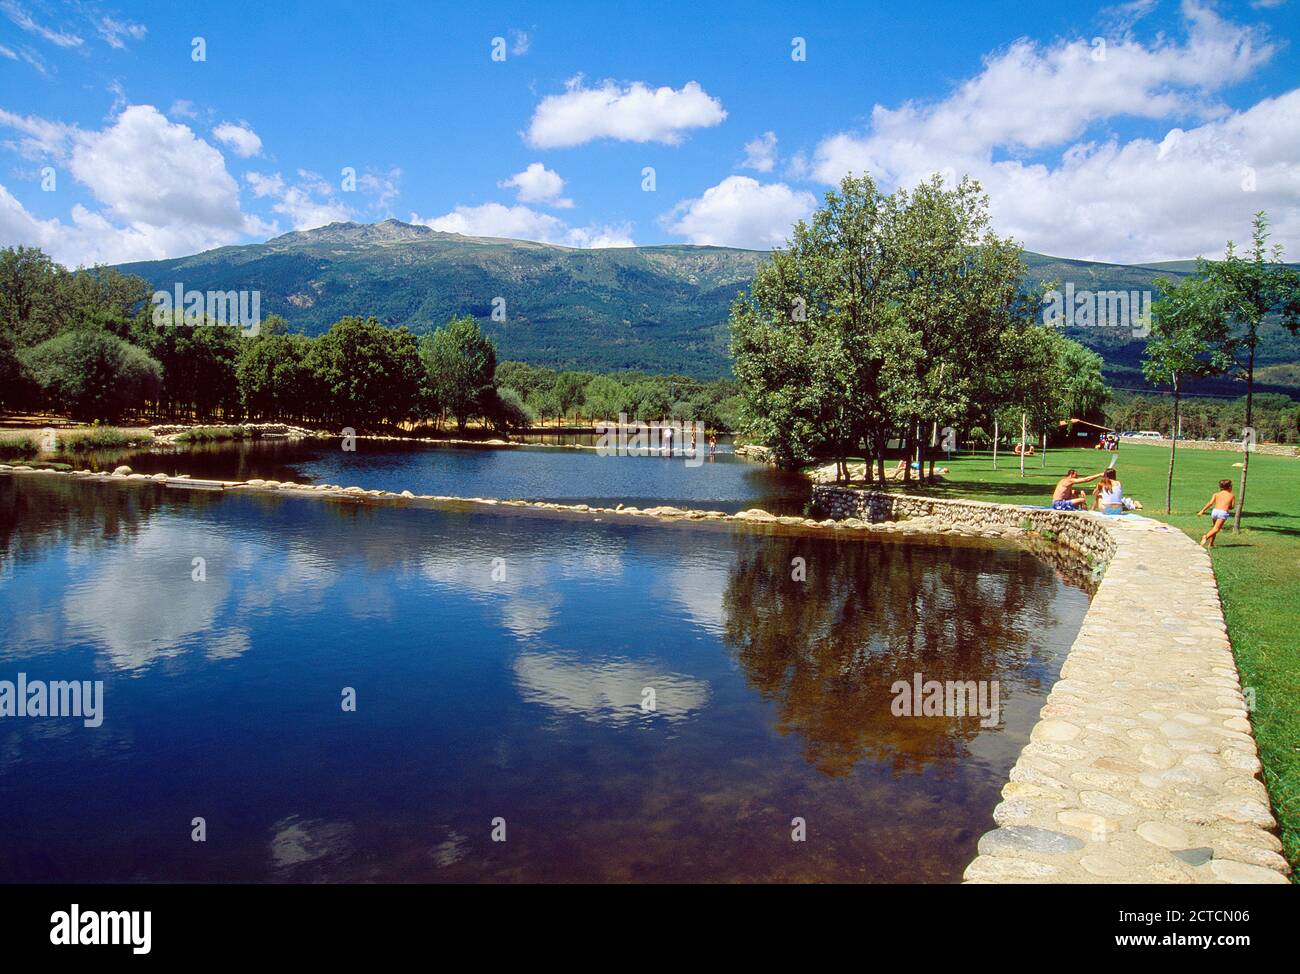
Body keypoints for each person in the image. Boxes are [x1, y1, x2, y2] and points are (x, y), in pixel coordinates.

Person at [1197, 479, 1235, 548]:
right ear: (1229, 487)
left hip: (1215, 512)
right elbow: (1232, 507)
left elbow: (1210, 503)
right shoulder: (1231, 496)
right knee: (1216, 529)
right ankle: (1206, 536)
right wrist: (1227, 506)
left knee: (1214, 529)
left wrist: (1202, 510)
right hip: (1222, 513)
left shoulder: (1216, 494)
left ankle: (1211, 544)